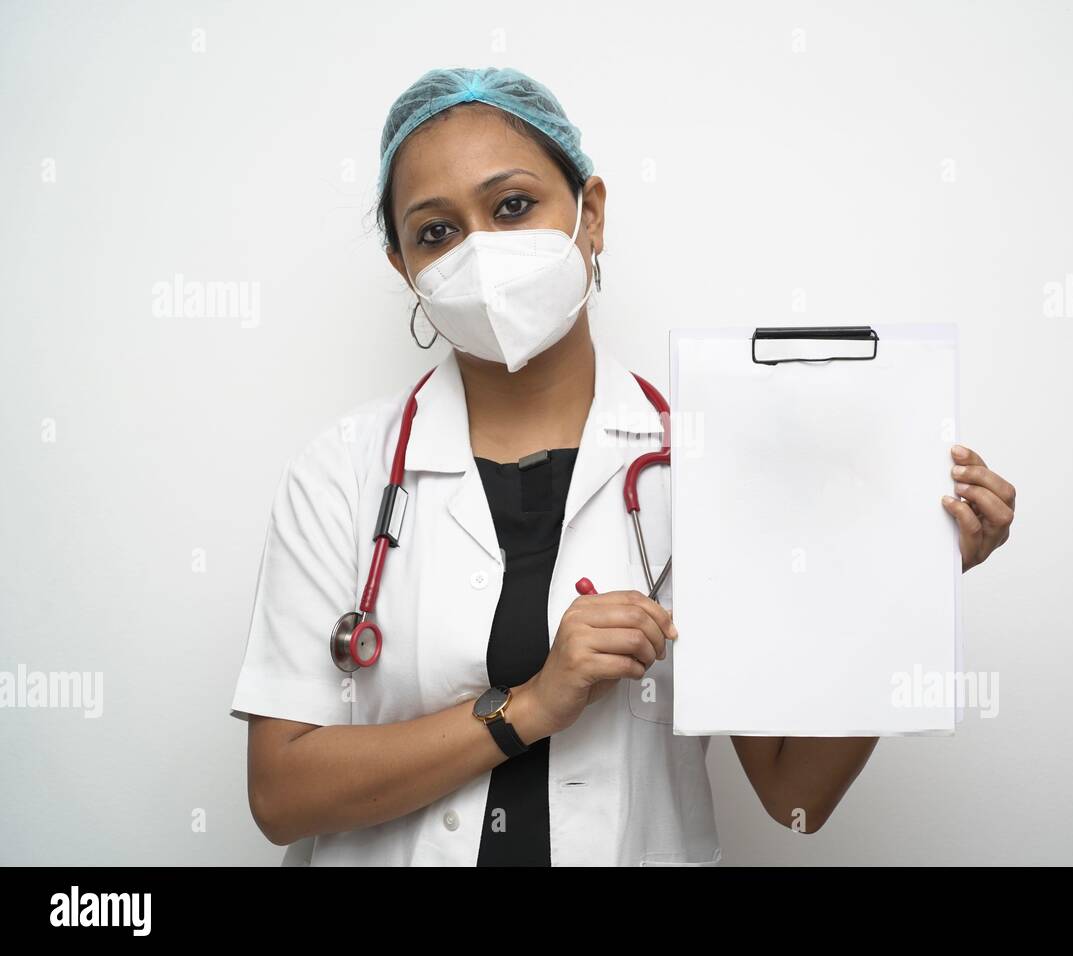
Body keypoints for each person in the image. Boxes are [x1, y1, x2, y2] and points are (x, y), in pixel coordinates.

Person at [228, 66, 1017, 867]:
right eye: (437, 232)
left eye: (512, 207)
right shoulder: (342, 474)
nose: (482, 253)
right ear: (406, 269)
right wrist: (529, 707)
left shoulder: (708, 464)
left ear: (591, 215)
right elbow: (282, 796)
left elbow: (796, 798)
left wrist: (908, 572)